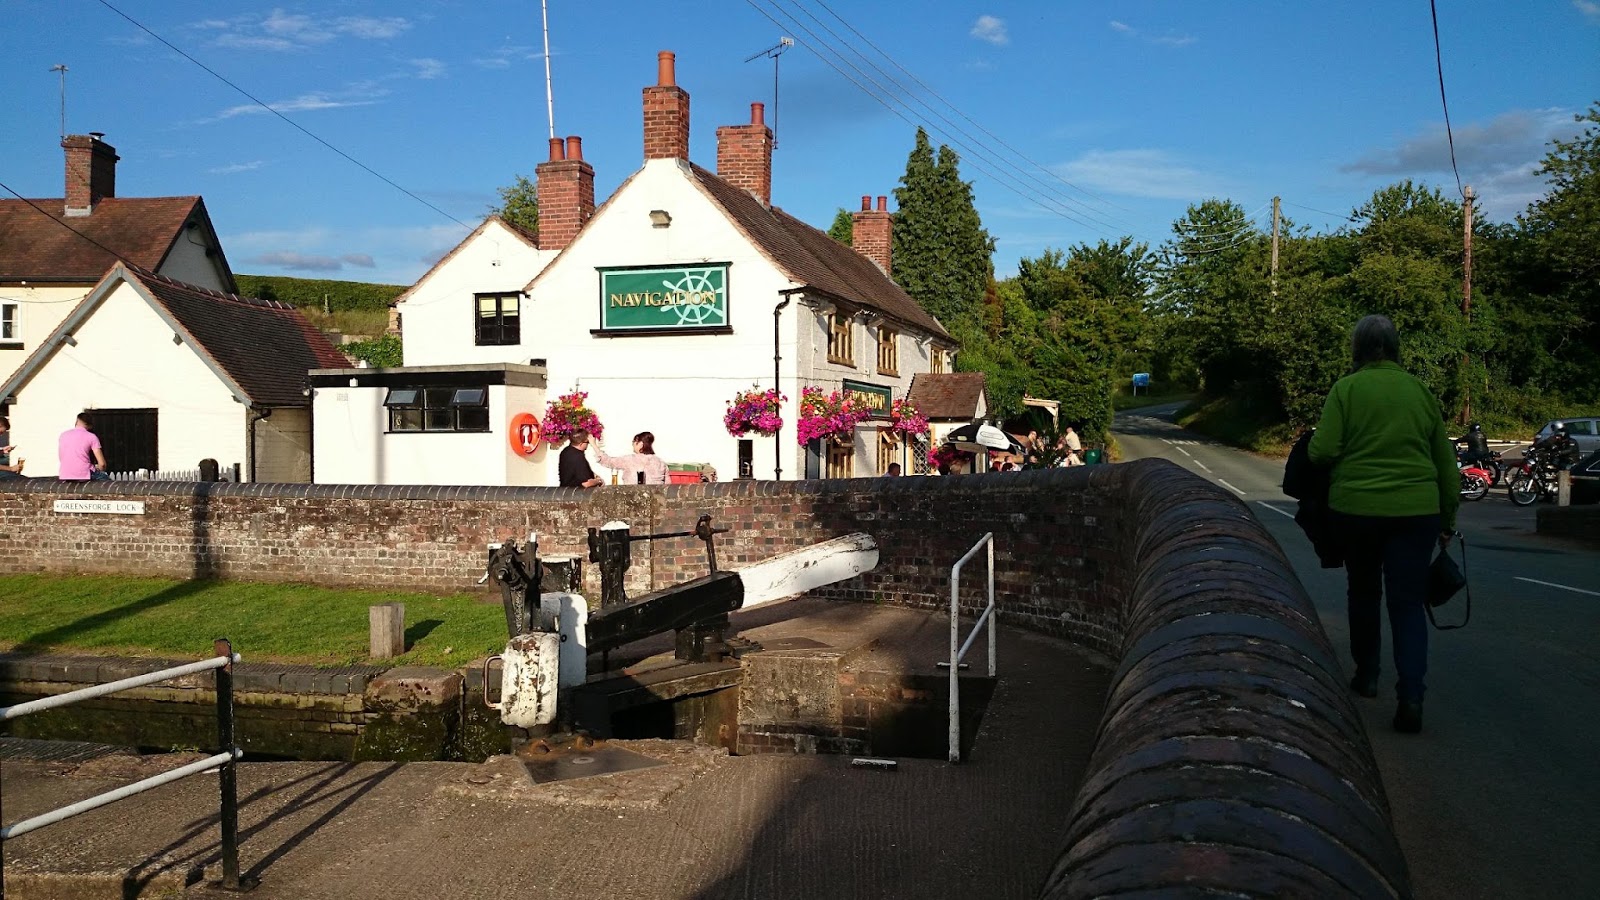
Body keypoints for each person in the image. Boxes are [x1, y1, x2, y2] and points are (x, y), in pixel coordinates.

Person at [1308, 315, 1458, 734]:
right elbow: (1446, 466)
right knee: (1408, 604)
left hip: (1356, 510)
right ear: (1395, 348)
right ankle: (1411, 696)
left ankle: (1368, 674)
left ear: (1357, 349)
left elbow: (1321, 452)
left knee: (1364, 590)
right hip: (1416, 512)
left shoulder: (1347, 389)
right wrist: (1447, 519)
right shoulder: (1419, 391)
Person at [593, 431, 669, 485]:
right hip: (656, 501)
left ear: (641, 444)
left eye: (634, 442)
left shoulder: (630, 460)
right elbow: (667, 485)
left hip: (633, 499)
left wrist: (593, 444)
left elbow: (608, 461)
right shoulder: (660, 462)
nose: (632, 444)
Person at [58, 411, 108, 481]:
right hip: (84, 474)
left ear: (77, 421)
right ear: (90, 425)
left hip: (65, 474)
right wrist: (100, 469)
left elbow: (61, 457)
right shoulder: (92, 437)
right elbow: (102, 464)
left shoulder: (63, 435)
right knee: (105, 479)